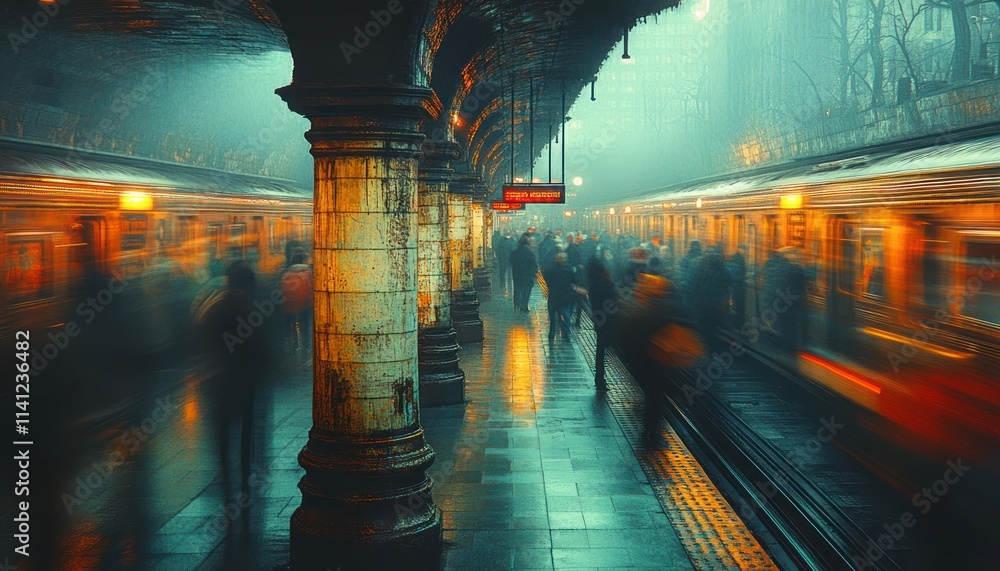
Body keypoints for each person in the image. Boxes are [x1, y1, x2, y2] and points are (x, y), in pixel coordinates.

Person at [200, 262, 270, 539]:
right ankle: (244, 476)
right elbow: (264, 348)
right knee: (246, 430)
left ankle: (226, 476)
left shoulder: (215, 308)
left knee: (221, 432)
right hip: (247, 383)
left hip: (220, 381)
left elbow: (201, 338)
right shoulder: (254, 309)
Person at [617, 274, 700, 444]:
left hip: (643, 364)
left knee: (652, 397)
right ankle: (652, 434)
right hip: (661, 364)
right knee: (656, 399)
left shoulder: (635, 310)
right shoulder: (667, 309)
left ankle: (649, 432)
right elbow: (689, 323)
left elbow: (624, 339)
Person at [587, 257, 617, 391]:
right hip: (610, 322)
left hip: (599, 320)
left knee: (600, 351)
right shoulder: (607, 286)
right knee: (608, 349)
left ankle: (599, 379)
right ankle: (600, 379)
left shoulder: (593, 285)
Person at [543, 252, 581, 343]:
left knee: (553, 317)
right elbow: (574, 281)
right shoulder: (568, 270)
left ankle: (551, 334)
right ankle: (566, 334)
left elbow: (546, 279)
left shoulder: (550, 269)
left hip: (553, 297)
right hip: (564, 297)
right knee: (565, 316)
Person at [281, 251, 314, 352]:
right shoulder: (308, 273)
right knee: (304, 325)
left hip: (288, 306)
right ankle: (306, 345)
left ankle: (293, 344)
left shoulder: (287, 274)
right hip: (305, 306)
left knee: (290, 326)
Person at [510, 234, 537, 312]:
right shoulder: (530, 253)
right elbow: (534, 265)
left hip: (517, 275)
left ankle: (517, 304)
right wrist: (534, 273)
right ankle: (524, 306)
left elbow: (511, 261)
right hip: (528, 276)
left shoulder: (515, 252)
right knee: (526, 291)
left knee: (518, 290)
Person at [495, 232, 516, 296]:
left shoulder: (500, 242)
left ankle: (502, 284)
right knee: (510, 273)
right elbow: (514, 251)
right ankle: (510, 283)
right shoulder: (513, 242)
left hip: (503, 260)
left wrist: (499, 257)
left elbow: (497, 250)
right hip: (510, 260)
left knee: (502, 273)